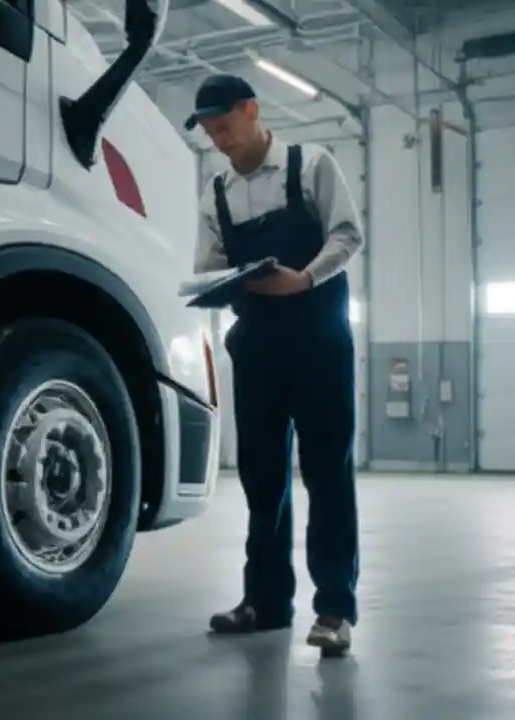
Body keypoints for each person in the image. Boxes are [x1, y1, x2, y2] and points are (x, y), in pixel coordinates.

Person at [186, 73, 364, 654]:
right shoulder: (216, 193)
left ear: (251, 110)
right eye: (210, 132)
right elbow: (209, 267)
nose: (219, 140)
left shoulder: (311, 166)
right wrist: (212, 287)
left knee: (327, 474)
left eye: (225, 126)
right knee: (262, 480)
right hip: (257, 348)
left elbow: (347, 235)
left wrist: (305, 279)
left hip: (319, 341)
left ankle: (334, 610)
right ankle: (264, 603)